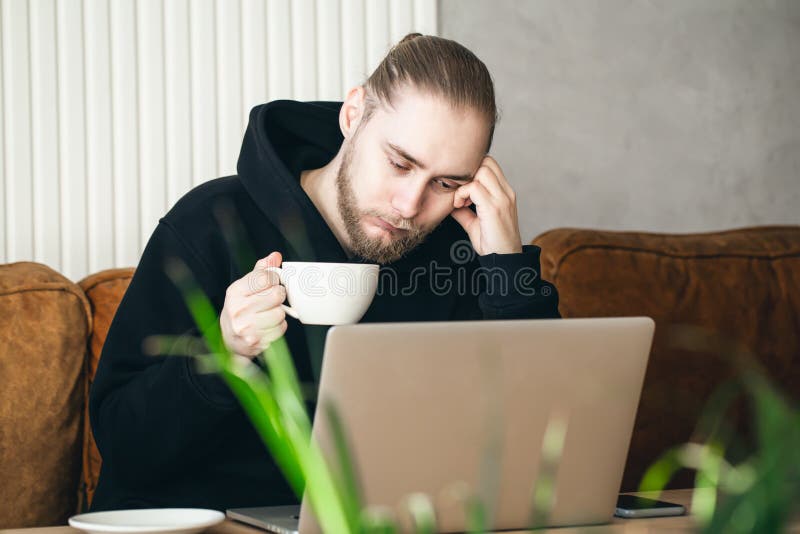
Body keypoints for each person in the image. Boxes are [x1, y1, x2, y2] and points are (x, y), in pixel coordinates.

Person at [89, 33, 560, 512]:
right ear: (353, 115)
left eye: (445, 183)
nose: (409, 206)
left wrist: (507, 268)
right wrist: (223, 351)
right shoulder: (209, 223)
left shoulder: (456, 256)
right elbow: (122, 444)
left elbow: (547, 457)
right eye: (399, 163)